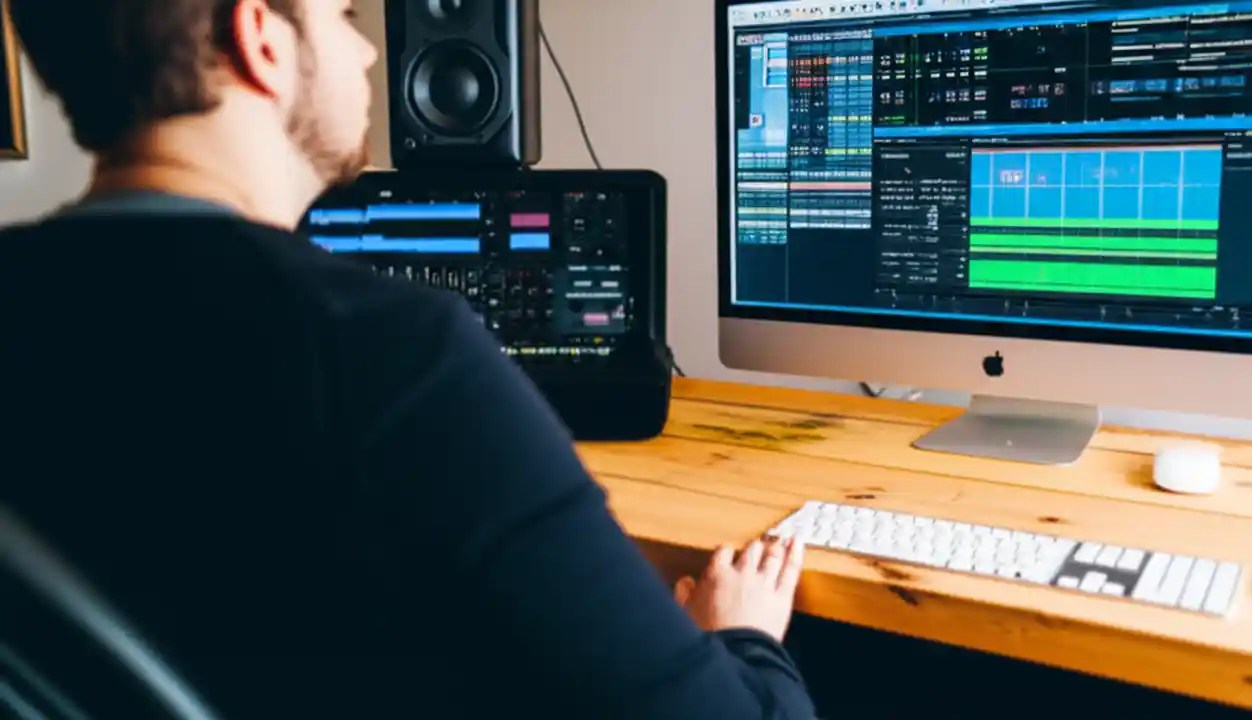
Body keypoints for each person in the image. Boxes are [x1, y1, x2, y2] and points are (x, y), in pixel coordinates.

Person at [0, 1, 817, 718]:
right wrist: (744, 638)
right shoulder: (384, 349)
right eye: (346, 20)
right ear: (262, 42)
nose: (366, 55)